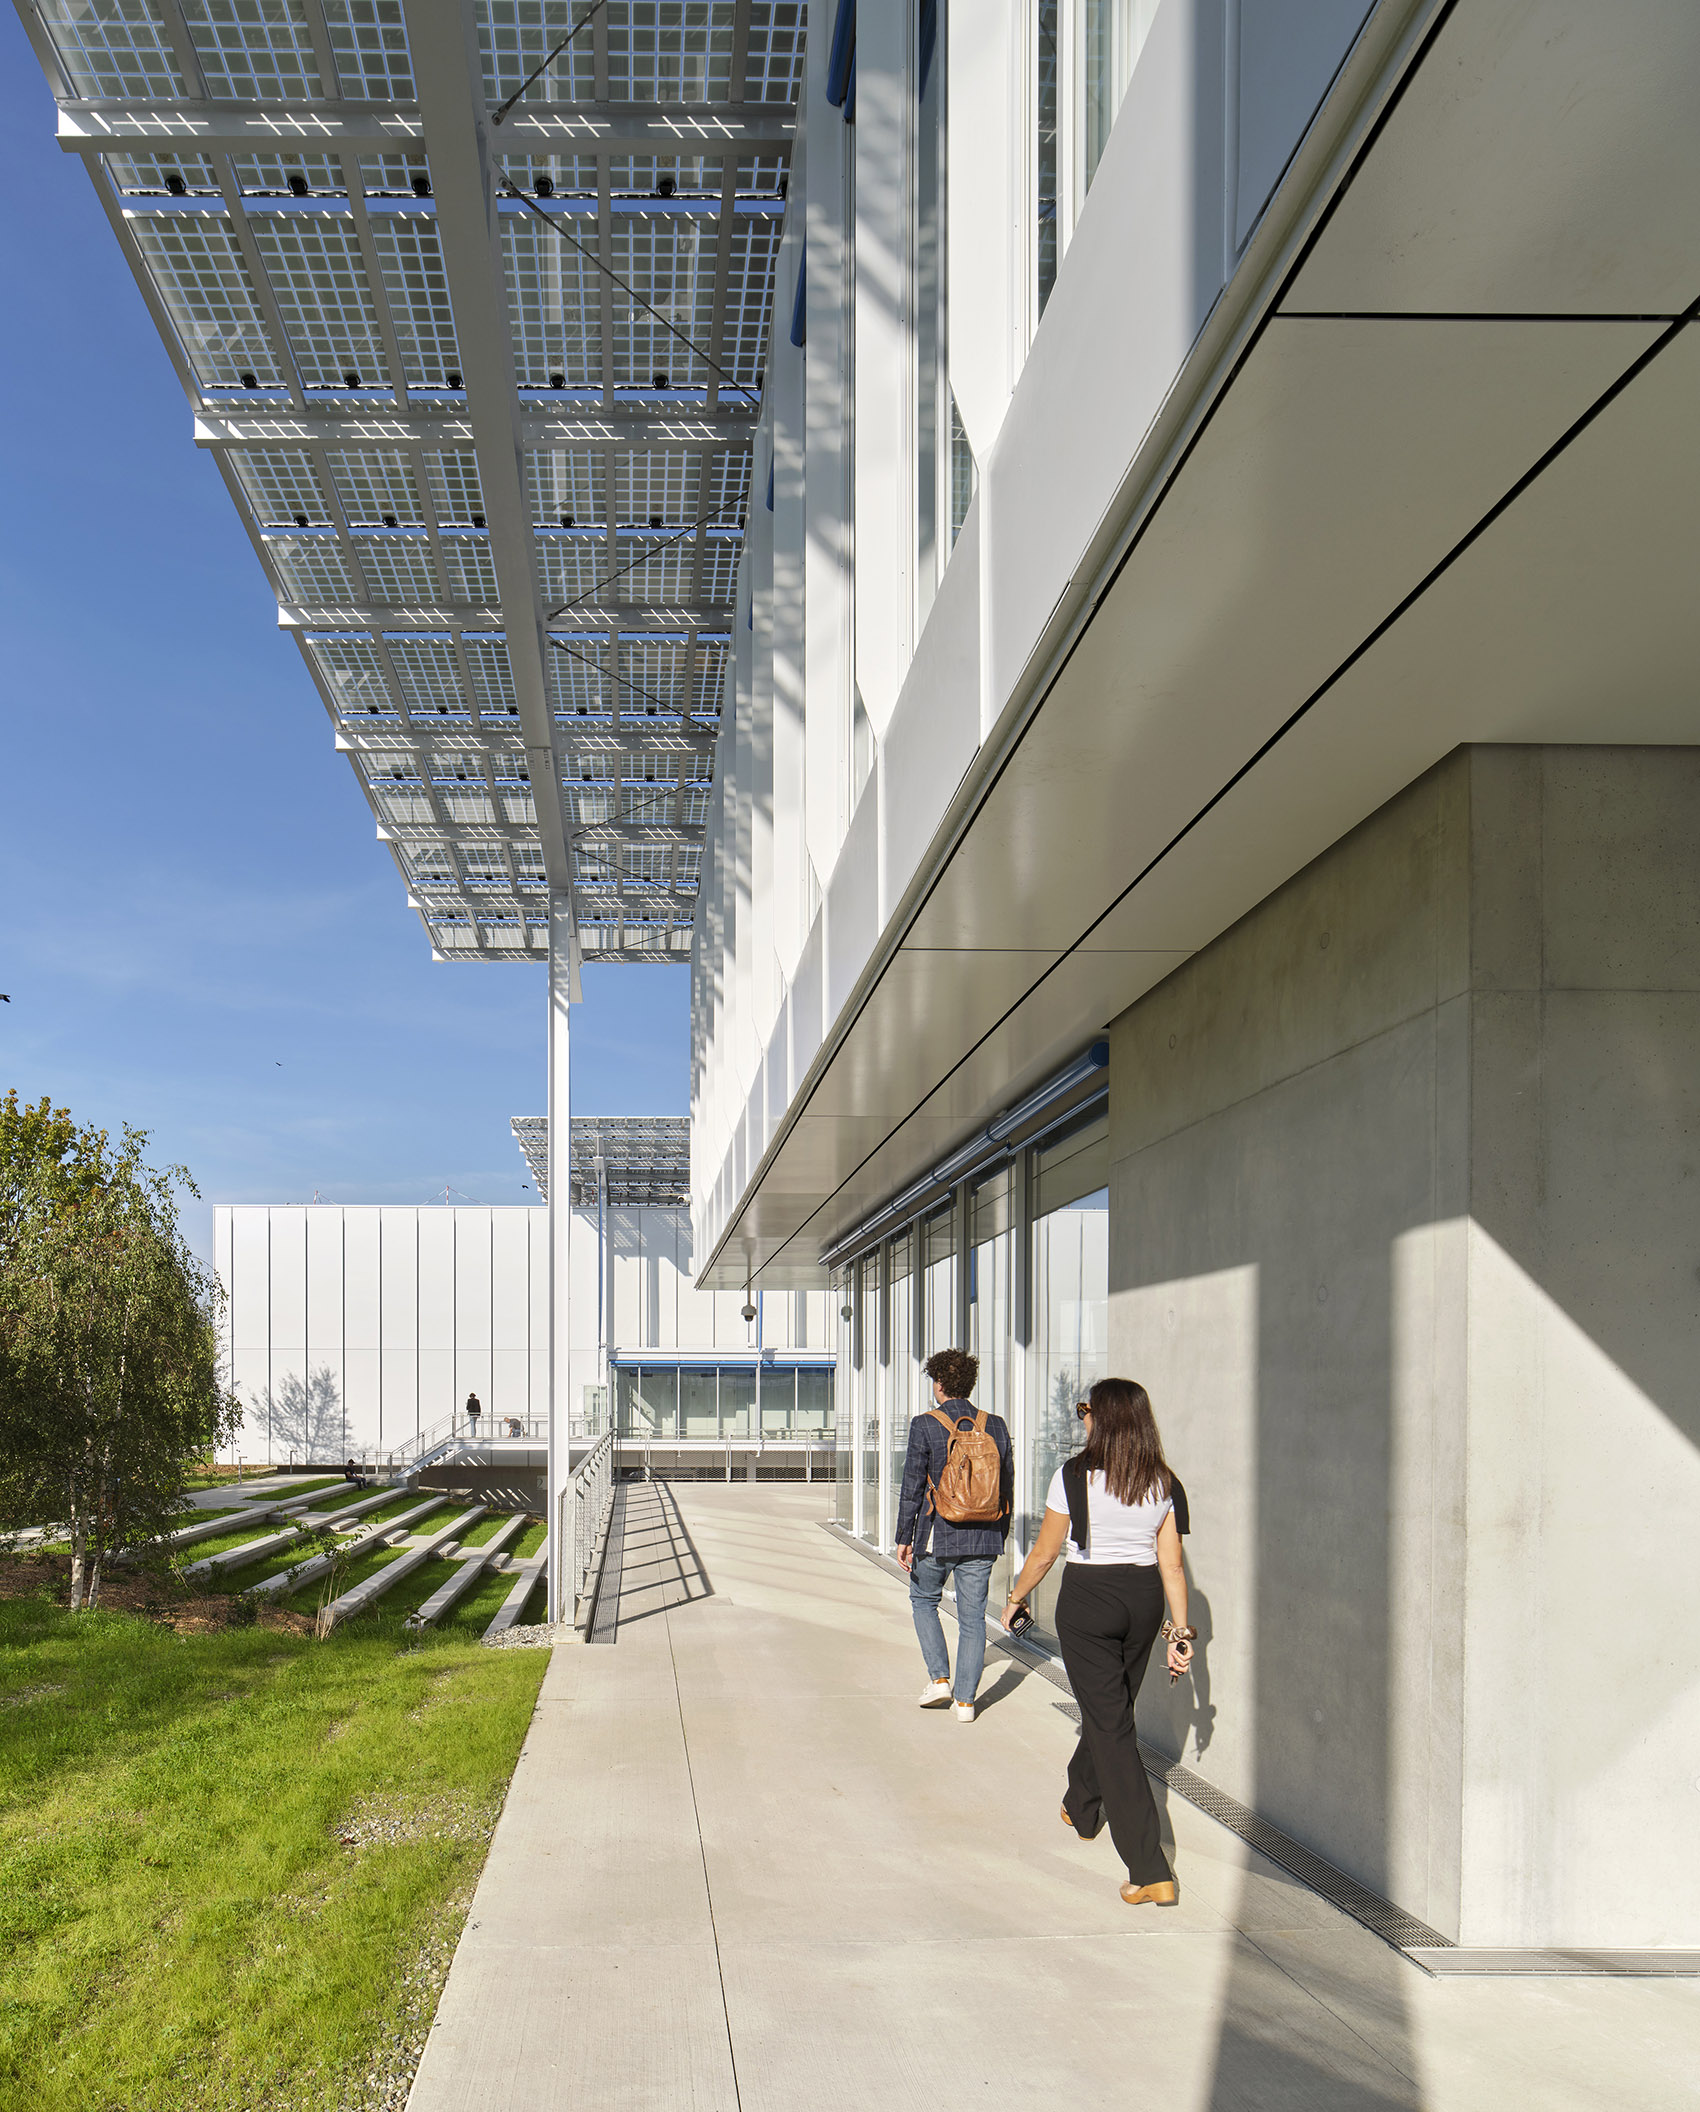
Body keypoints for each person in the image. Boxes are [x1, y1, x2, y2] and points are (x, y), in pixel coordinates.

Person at [1001, 1377, 1196, 1906]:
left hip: (1089, 1601)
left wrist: (1017, 1596)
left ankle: (1149, 1866)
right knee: (1110, 1713)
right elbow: (1172, 1565)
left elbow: (1044, 1553)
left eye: (1086, 1408)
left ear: (1104, 1417)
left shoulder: (1072, 1476)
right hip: (1143, 1599)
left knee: (1112, 1726)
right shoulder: (1162, 1480)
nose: (1080, 1415)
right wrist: (1180, 1631)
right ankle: (1082, 1805)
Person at [895, 1348, 1013, 1723]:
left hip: (938, 1533)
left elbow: (912, 1484)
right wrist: (999, 1534)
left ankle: (940, 1679)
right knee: (973, 1617)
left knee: (923, 1599)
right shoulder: (994, 1424)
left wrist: (904, 1536)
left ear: (940, 1384)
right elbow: (1005, 1486)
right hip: (983, 1537)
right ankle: (966, 1702)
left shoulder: (925, 1424)